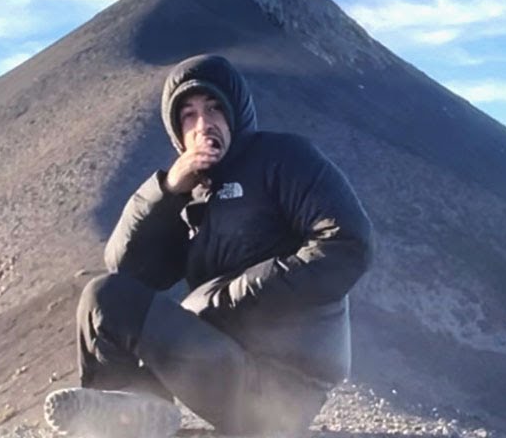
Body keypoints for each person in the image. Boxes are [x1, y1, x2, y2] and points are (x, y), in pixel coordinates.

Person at [44, 54, 374, 437]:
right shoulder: (191, 197)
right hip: (222, 367)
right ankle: (133, 418)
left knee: (124, 299)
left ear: (236, 112)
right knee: (103, 297)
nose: (204, 124)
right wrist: (166, 190)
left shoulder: (283, 159)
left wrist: (226, 300)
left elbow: (348, 243)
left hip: (282, 386)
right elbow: (127, 269)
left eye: (215, 108)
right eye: (188, 115)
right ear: (177, 131)